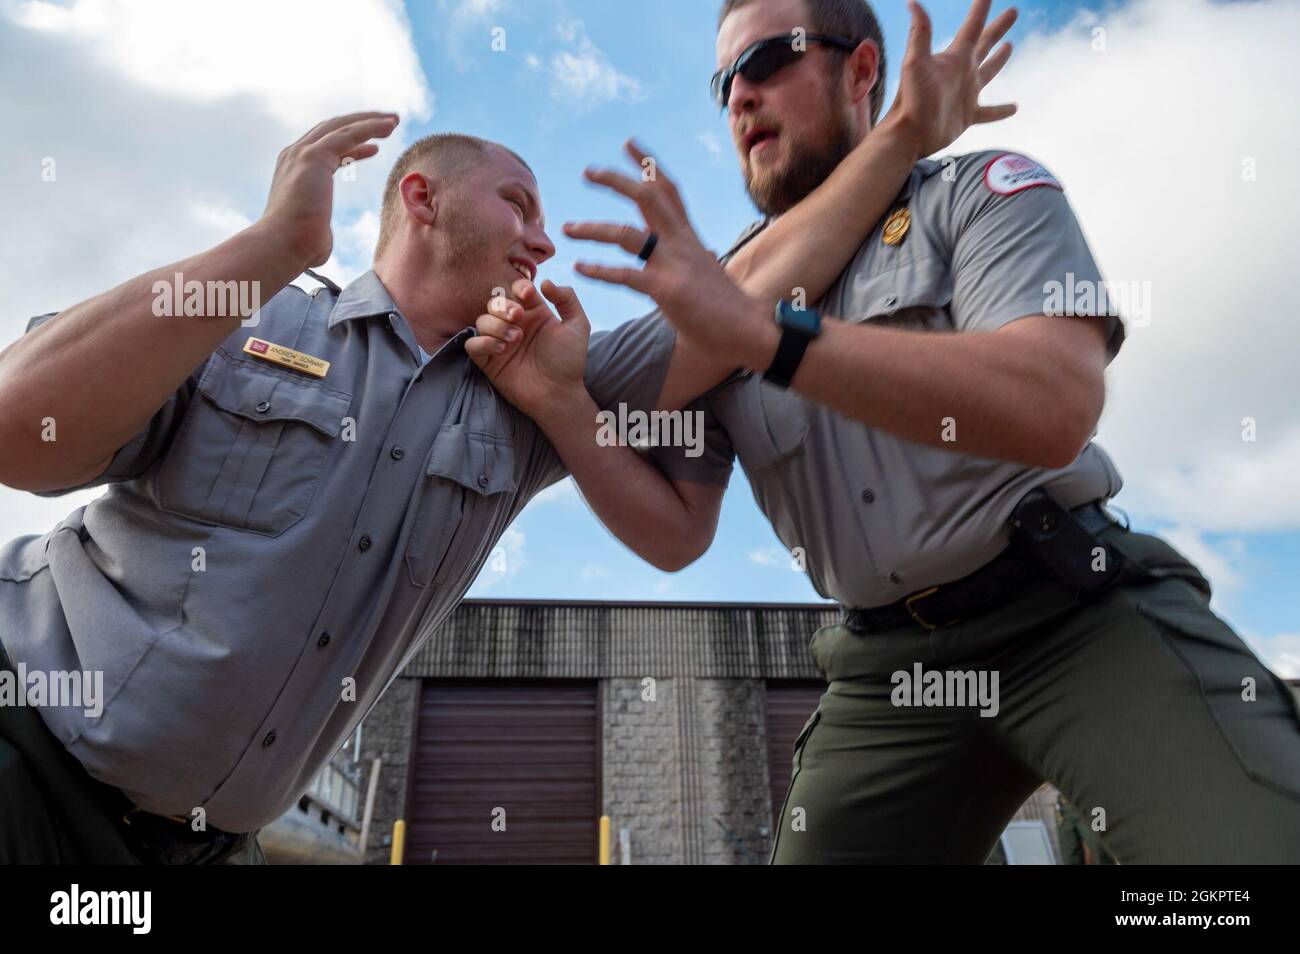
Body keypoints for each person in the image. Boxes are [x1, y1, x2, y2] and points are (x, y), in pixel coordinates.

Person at [0, 0, 1009, 862]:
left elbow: (737, 297)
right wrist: (271, 246)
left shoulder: (531, 396)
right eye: (520, 203)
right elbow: (19, 432)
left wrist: (898, 137)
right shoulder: (251, 315)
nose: (541, 234)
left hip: (195, 845)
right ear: (421, 199)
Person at [475, 0, 1300, 863]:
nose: (740, 98)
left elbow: (1055, 407)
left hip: (1070, 610)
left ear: (863, 70)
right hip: (888, 668)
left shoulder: (980, 197)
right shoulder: (717, 290)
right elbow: (677, 533)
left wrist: (765, 336)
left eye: (766, 60)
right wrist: (567, 409)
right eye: (724, 82)